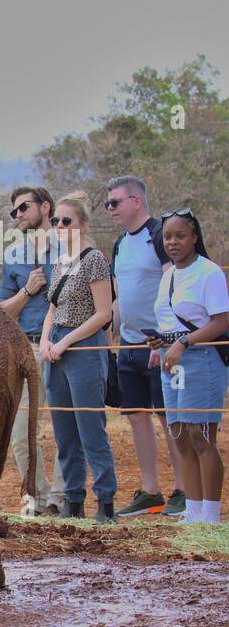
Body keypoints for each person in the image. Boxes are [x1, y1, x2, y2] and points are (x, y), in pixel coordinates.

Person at [107, 174, 186, 517]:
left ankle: (183, 490)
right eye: (107, 203)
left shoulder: (159, 235)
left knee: (169, 417)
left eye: (115, 202)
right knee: (137, 416)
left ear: (136, 201)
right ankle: (150, 491)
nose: (110, 209)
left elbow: (173, 287)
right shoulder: (120, 243)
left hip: (160, 345)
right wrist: (114, 329)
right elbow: (123, 293)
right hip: (129, 344)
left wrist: (163, 340)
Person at [145, 209, 229, 524]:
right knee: (179, 434)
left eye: (180, 235)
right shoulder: (168, 275)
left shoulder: (208, 272)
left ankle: (210, 515)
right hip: (172, 361)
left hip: (202, 358)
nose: (173, 242)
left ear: (194, 237)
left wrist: (184, 342)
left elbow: (222, 321)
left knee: (200, 435)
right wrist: (161, 341)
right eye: (168, 236)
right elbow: (168, 321)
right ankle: (192, 509)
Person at [39, 193, 117, 522]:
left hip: (83, 345)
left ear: (82, 225)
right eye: (55, 220)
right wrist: (45, 341)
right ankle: (73, 502)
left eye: (66, 221)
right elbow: (52, 308)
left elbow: (103, 314)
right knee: (64, 431)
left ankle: (105, 504)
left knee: (90, 430)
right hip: (56, 346)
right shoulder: (60, 263)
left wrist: (65, 342)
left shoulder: (94, 260)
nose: (58, 225)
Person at [0, 187, 68, 515]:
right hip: (26, 347)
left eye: (24, 207)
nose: (19, 214)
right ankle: (36, 499)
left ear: (45, 207)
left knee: (69, 425)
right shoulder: (13, 257)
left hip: (69, 346)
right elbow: (2, 312)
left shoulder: (71, 248)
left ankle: (63, 499)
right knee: (22, 432)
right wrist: (28, 290)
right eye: (14, 211)